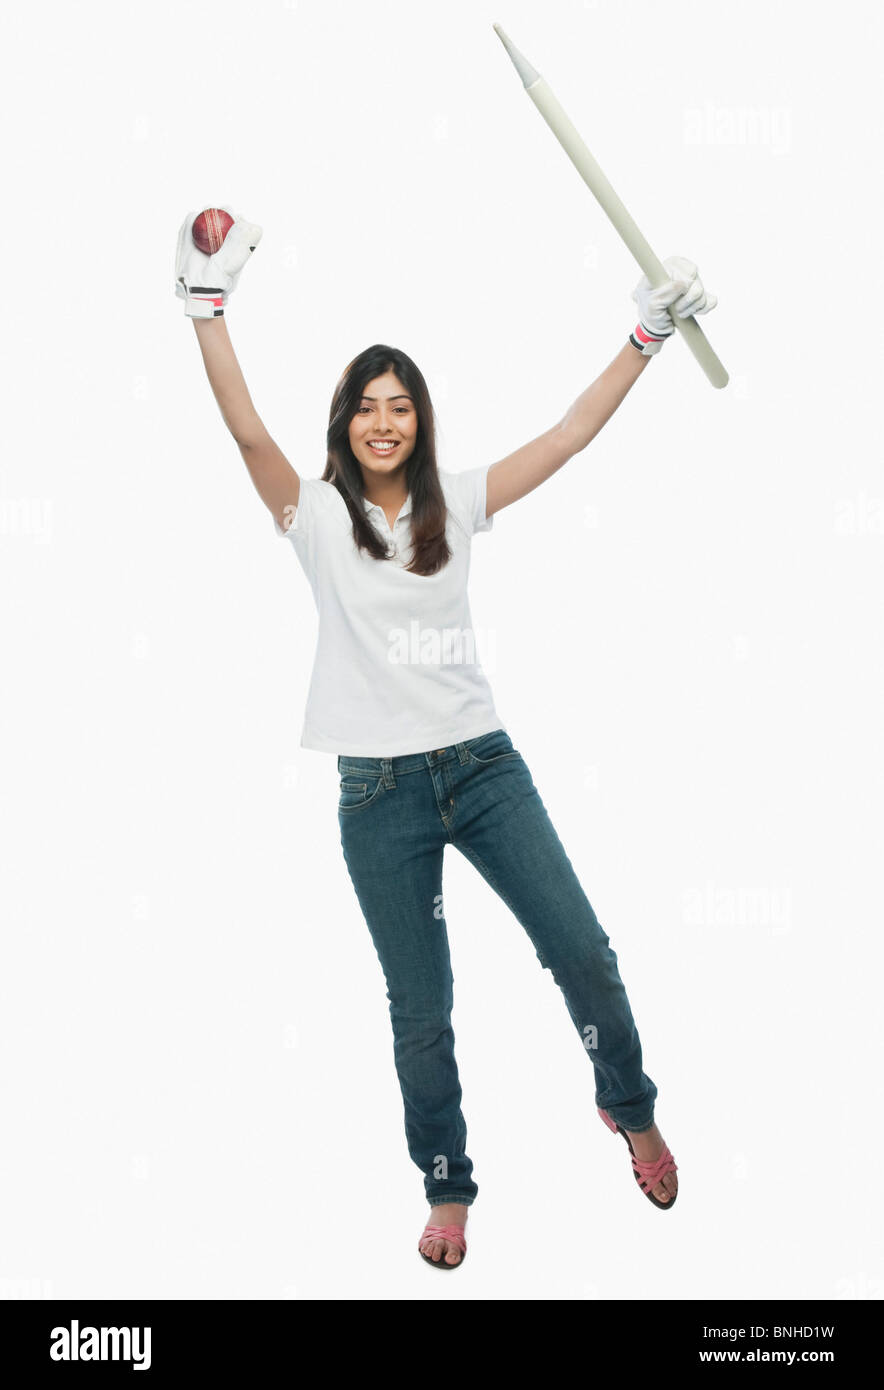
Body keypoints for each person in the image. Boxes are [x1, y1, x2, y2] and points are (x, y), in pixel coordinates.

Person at [175, 209, 717, 1269]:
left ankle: (629, 1106)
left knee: (581, 953)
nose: (384, 423)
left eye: (401, 407)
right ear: (343, 423)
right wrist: (206, 308)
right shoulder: (316, 517)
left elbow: (563, 434)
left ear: (420, 422)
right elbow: (245, 429)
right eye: (366, 408)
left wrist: (643, 339)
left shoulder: (456, 504)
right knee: (421, 1013)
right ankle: (447, 1182)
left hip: (483, 771)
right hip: (378, 797)